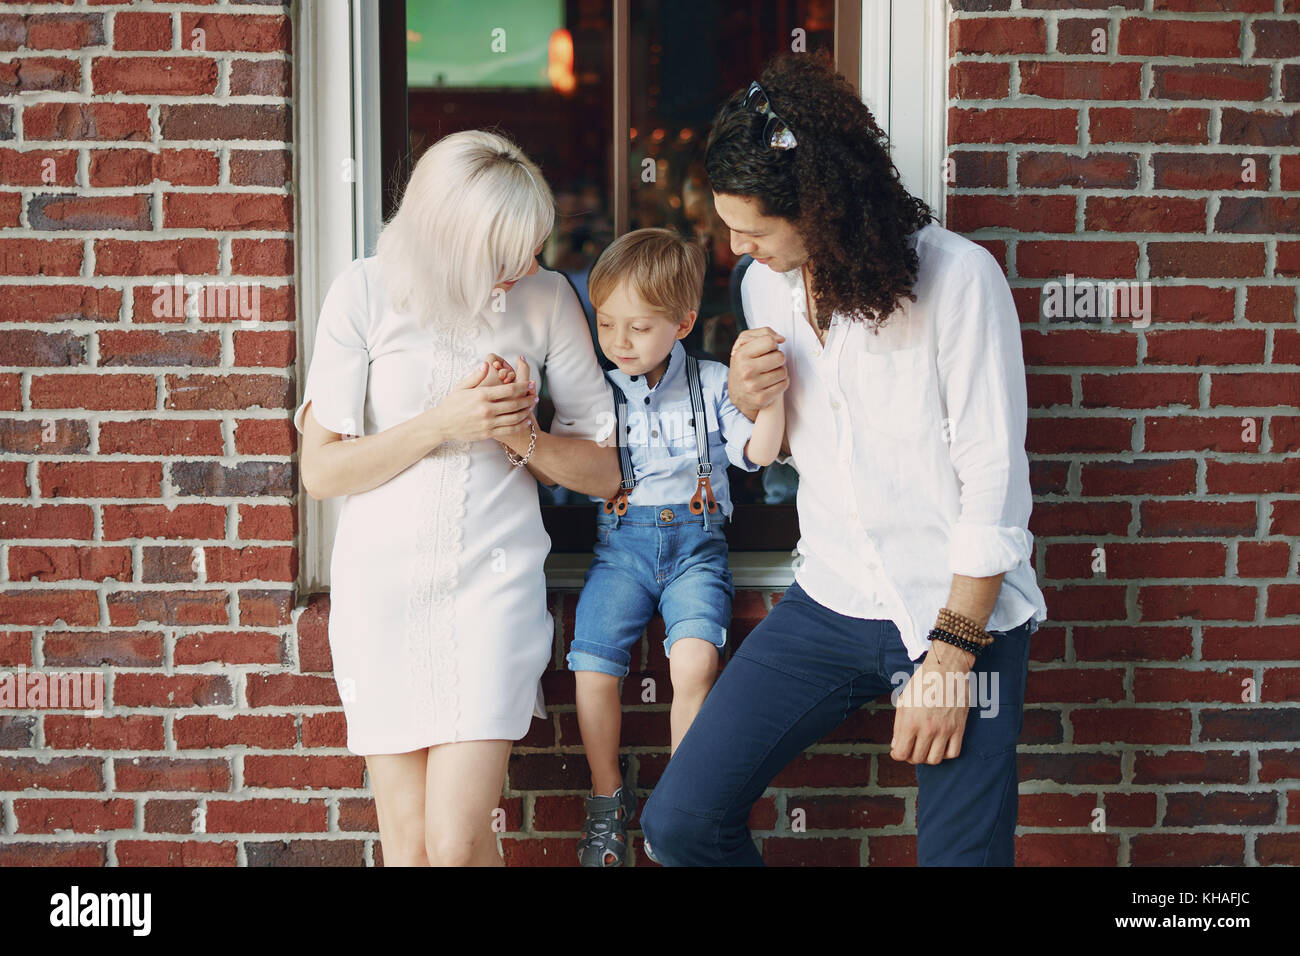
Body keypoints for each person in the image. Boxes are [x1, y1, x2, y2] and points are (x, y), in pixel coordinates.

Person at [639, 51, 1049, 866]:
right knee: (679, 822)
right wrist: (761, 402)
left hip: (959, 613)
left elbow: (994, 488)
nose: (736, 248)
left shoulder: (958, 283)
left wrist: (951, 657)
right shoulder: (765, 288)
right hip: (830, 601)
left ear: (821, 208)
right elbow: (796, 444)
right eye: (729, 226)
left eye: (753, 228)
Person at [295, 129, 620, 866]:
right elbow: (322, 473)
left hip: (491, 591)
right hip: (383, 596)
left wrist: (519, 436)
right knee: (408, 851)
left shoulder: (545, 300)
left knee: (455, 842)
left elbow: (603, 472)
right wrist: (448, 421)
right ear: (453, 241)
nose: (529, 265)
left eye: (534, 245)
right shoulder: (364, 292)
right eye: (510, 251)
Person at [566, 228, 784, 866]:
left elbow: (759, 453)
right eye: (606, 324)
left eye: (638, 327)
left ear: (684, 322)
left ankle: (677, 808)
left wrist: (771, 398)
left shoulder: (714, 383)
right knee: (591, 665)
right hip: (620, 551)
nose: (618, 343)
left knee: (693, 665)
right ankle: (609, 800)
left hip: (696, 552)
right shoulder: (597, 389)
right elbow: (563, 462)